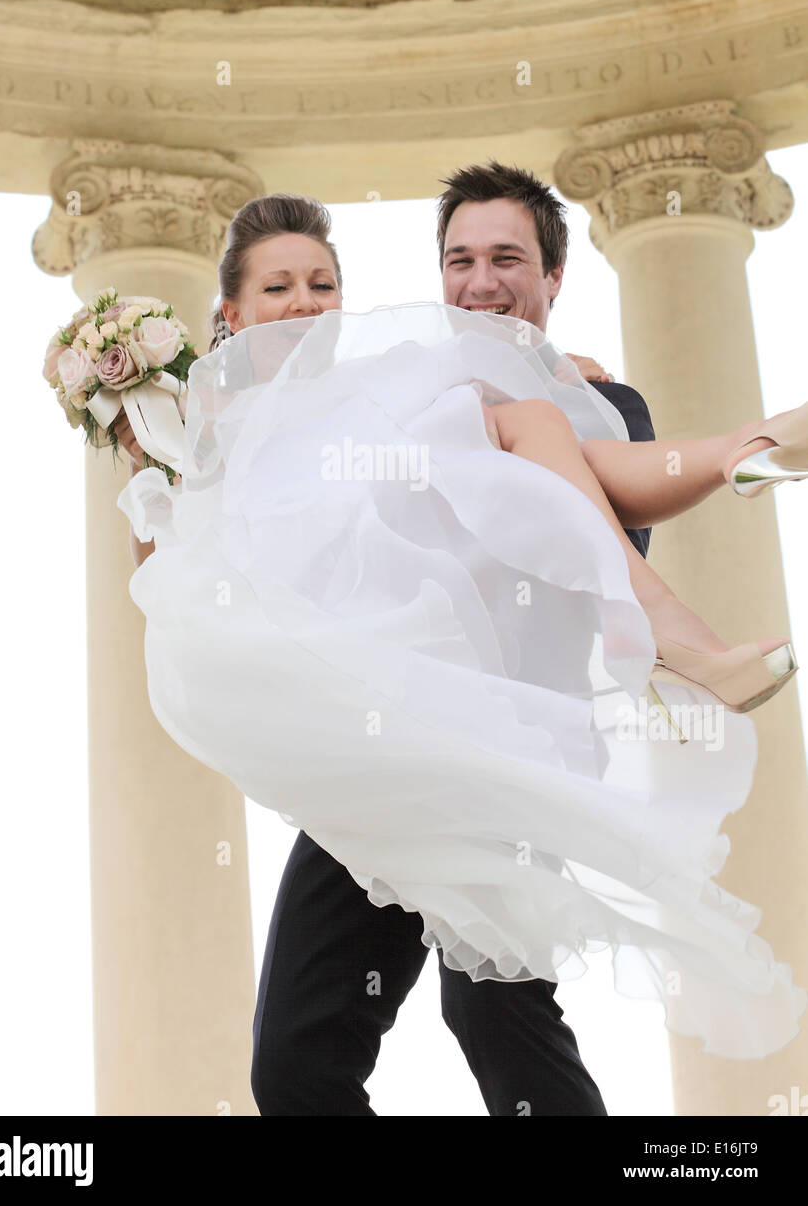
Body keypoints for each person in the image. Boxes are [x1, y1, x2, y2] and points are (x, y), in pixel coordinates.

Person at [114, 182, 807, 1113]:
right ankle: (731, 463)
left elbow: (585, 502)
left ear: (553, 276)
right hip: (363, 759)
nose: (481, 284)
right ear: (230, 317)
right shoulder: (285, 425)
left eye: (507, 261)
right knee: (295, 1063)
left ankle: (717, 499)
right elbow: (172, 578)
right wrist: (141, 442)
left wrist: (557, 383)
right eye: (461, 263)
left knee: (496, 1014)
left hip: (495, 741)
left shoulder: (546, 394)